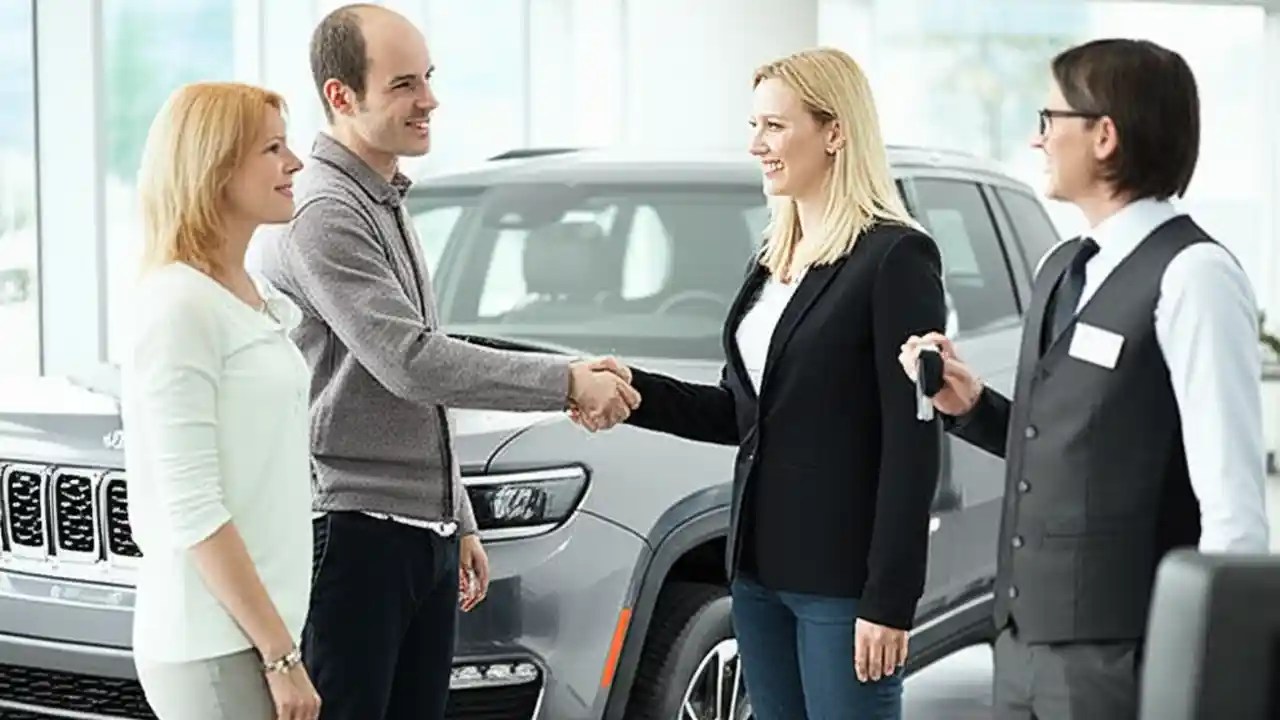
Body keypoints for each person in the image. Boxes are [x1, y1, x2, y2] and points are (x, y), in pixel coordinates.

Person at [254, 5, 638, 719]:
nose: (429, 99)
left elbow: (413, 371)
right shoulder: (325, 211)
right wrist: (565, 383)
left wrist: (453, 514)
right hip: (355, 533)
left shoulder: (383, 197)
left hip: (414, 529)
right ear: (342, 95)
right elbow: (410, 361)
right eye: (404, 84)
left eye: (427, 77)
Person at [899, 38, 1271, 720]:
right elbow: (1062, 443)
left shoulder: (1194, 274)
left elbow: (1233, 506)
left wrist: (1221, 672)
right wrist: (972, 405)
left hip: (1127, 653)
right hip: (1021, 646)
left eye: (1050, 118)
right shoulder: (1061, 266)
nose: (1037, 138)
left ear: (1105, 135)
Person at [573, 47, 947, 720]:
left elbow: (912, 443)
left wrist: (890, 600)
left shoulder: (896, 257)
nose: (757, 145)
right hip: (757, 572)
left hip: (842, 581)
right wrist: (633, 390)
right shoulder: (773, 259)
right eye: (755, 126)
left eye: (774, 126)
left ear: (835, 132)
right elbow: (742, 413)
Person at [121, 82, 319, 720]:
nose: (295, 163)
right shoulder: (178, 305)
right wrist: (280, 656)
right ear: (215, 167)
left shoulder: (245, 295)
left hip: (254, 633)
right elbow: (193, 508)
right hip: (212, 640)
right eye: (272, 148)